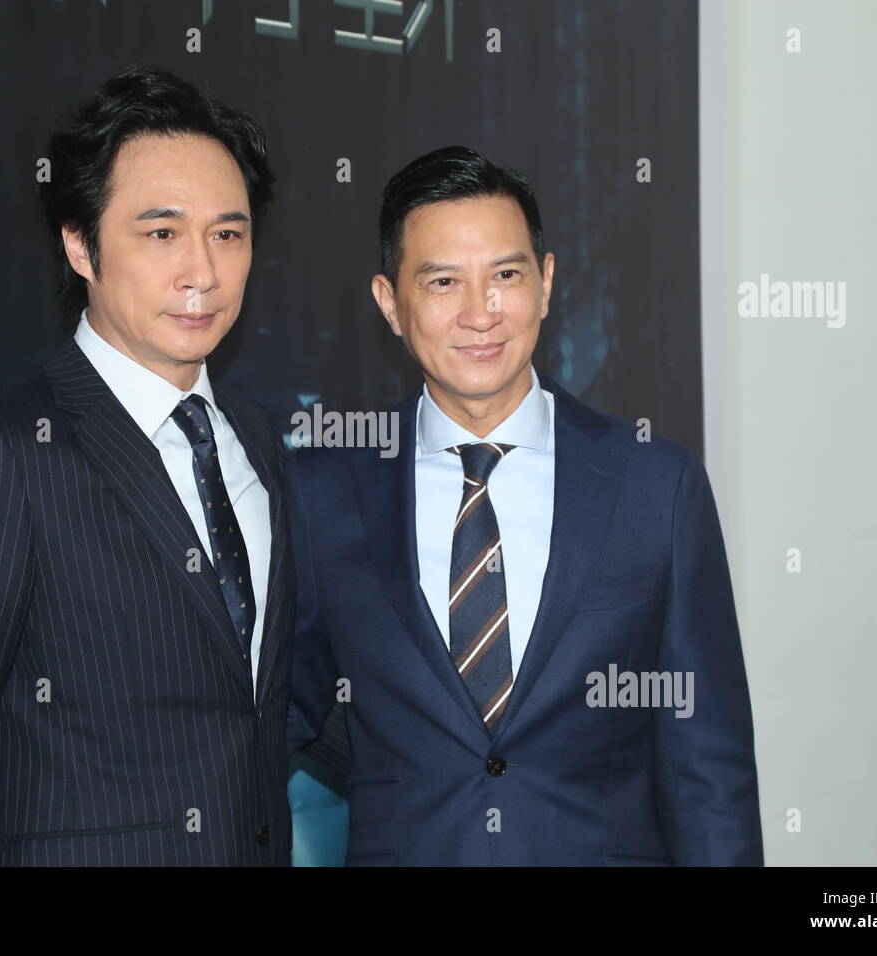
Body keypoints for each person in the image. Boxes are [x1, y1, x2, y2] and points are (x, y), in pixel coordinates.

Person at [0, 66, 292, 865]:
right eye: (161, 233)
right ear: (79, 245)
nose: (202, 271)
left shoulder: (257, 443)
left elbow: (265, 709)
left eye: (227, 234)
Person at [286, 145, 763, 866]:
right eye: (443, 281)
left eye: (505, 275)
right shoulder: (324, 494)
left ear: (544, 283)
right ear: (391, 302)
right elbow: (284, 712)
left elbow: (710, 768)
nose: (481, 313)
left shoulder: (656, 486)